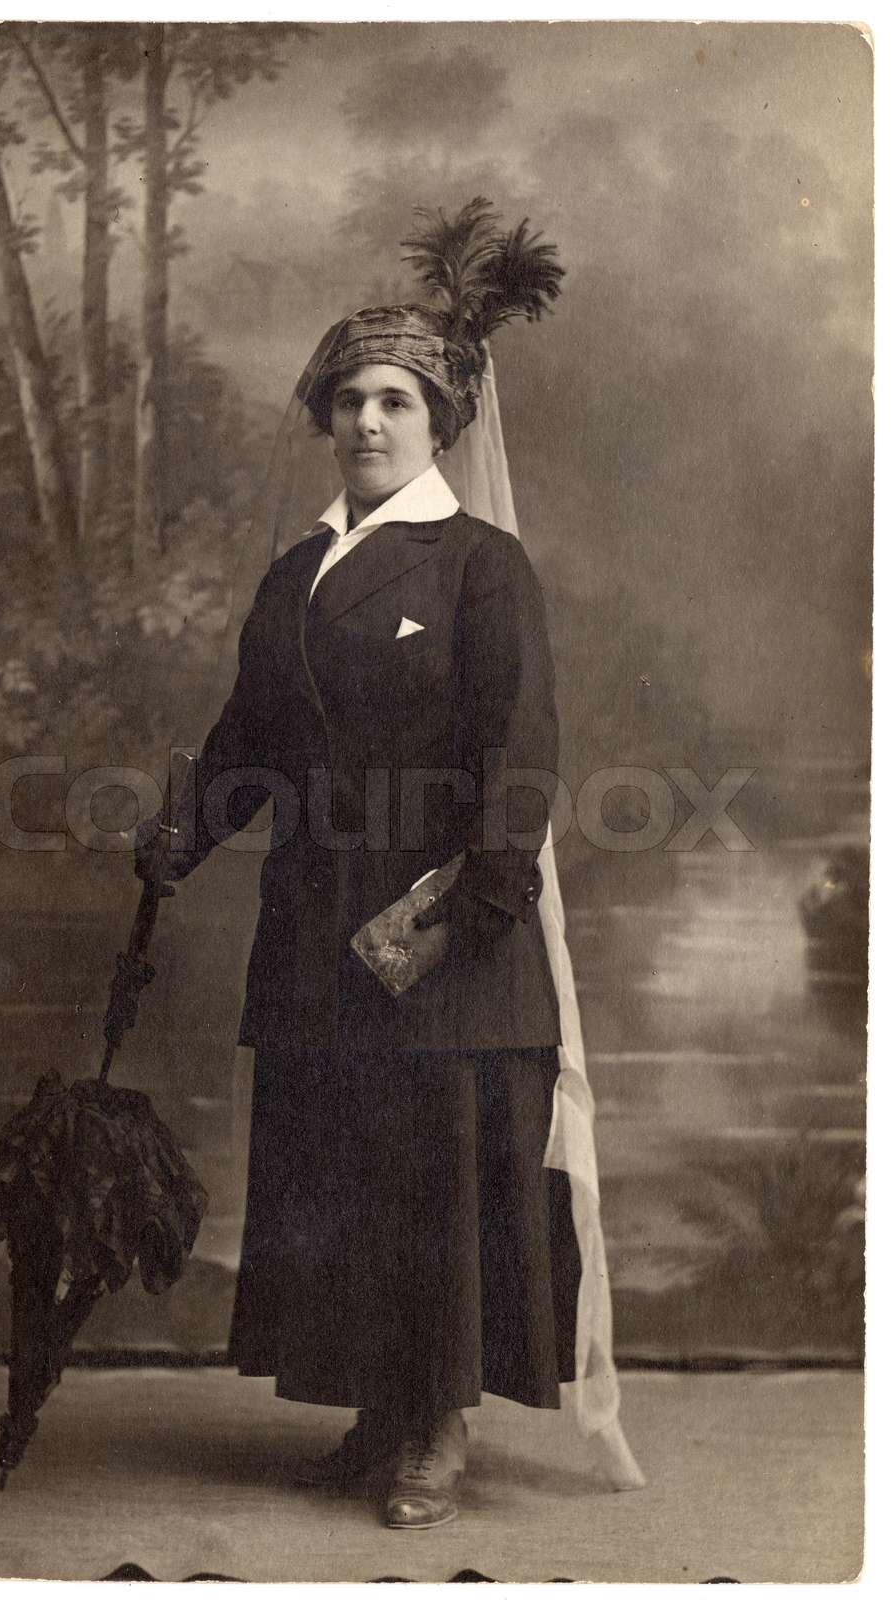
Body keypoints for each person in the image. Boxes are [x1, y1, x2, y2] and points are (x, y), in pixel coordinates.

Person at [136, 201, 642, 1529]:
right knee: (342, 1167)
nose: (367, 423)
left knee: (432, 1175)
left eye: (396, 403)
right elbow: (248, 738)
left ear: (439, 425)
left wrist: (481, 899)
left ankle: (437, 1425)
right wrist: (180, 840)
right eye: (350, 401)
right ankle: (377, 1404)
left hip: (437, 930)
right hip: (316, 926)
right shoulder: (296, 570)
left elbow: (517, 749)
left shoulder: (482, 567)